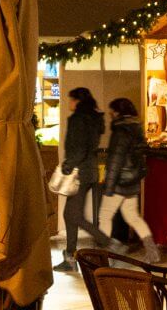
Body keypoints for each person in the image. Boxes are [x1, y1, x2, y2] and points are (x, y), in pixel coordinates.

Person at [99, 97, 159, 258]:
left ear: (117, 112)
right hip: (132, 181)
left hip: (119, 182)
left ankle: (102, 255)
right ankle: (152, 252)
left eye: (112, 110)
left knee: (104, 216)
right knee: (133, 217)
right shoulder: (136, 128)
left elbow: (115, 160)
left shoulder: (120, 131)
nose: (110, 114)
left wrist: (108, 186)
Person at [56, 87, 108, 270]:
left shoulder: (78, 120)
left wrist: (68, 165)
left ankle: (106, 241)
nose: (69, 103)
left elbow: (79, 148)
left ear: (77, 100)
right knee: (70, 215)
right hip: (90, 171)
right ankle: (70, 257)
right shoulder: (94, 119)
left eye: (71, 99)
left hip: (79, 173)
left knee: (73, 215)